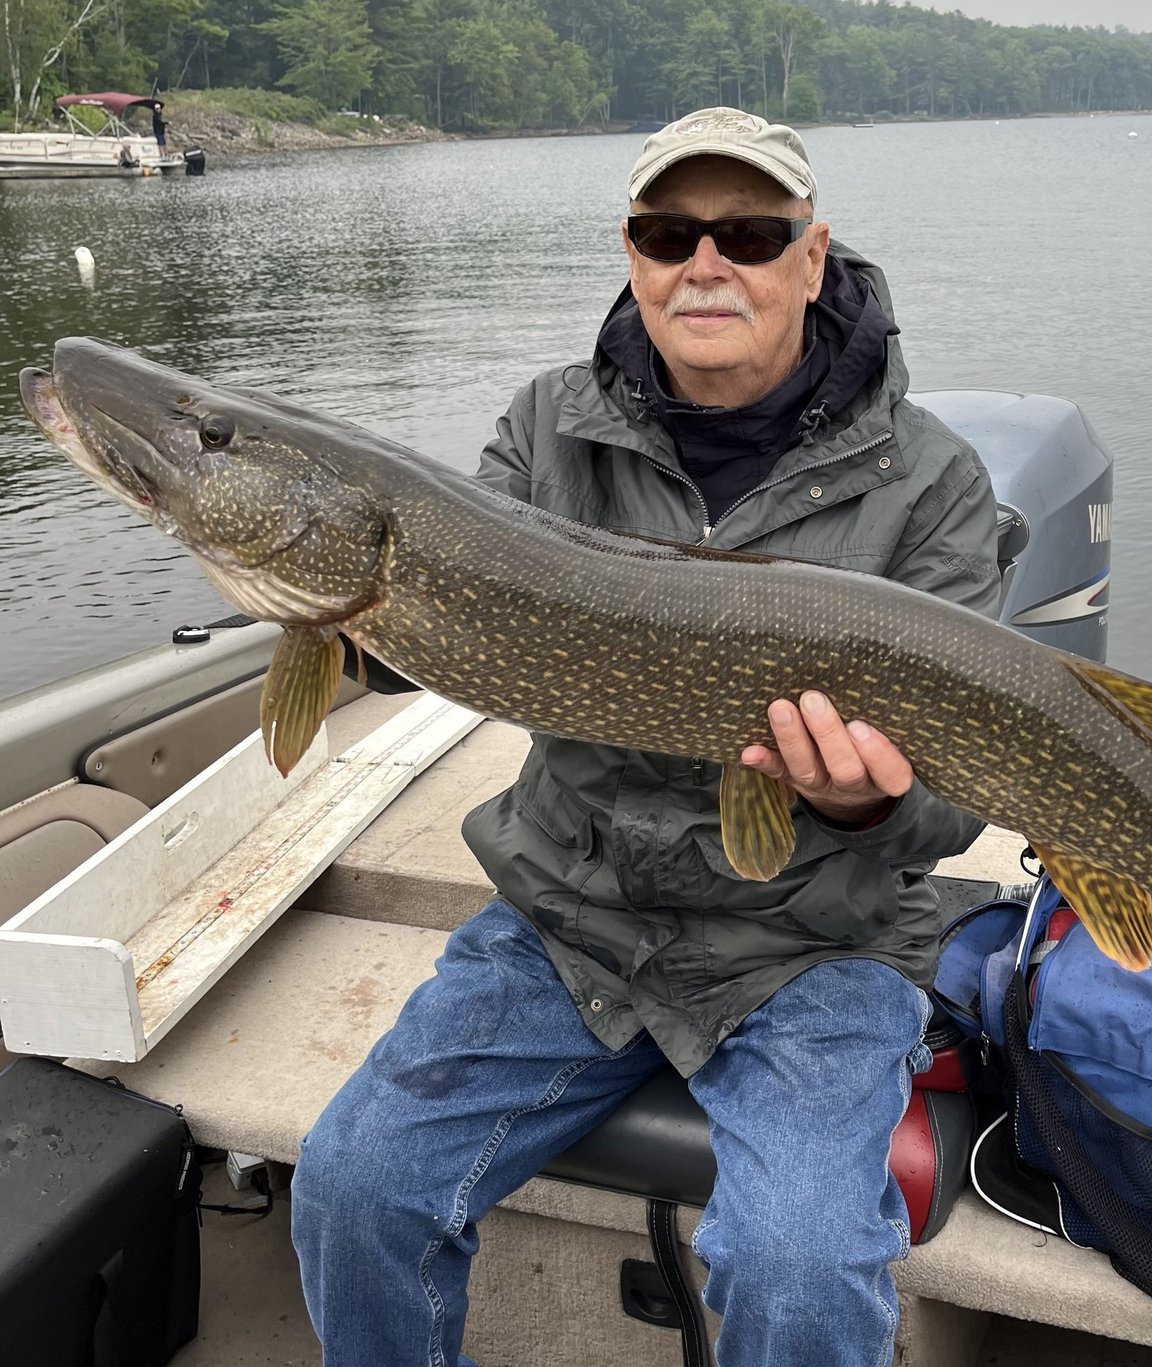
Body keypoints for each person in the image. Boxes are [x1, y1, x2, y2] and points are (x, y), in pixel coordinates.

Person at [290, 106, 1004, 1367]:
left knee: (798, 1260)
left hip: (815, 939)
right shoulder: (547, 426)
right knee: (354, 1182)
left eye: (748, 232)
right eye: (671, 231)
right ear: (633, 250)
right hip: (574, 915)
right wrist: (337, 621)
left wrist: (854, 803)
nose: (705, 261)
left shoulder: (932, 482)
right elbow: (428, 636)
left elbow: (949, 813)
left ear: (811, 256)